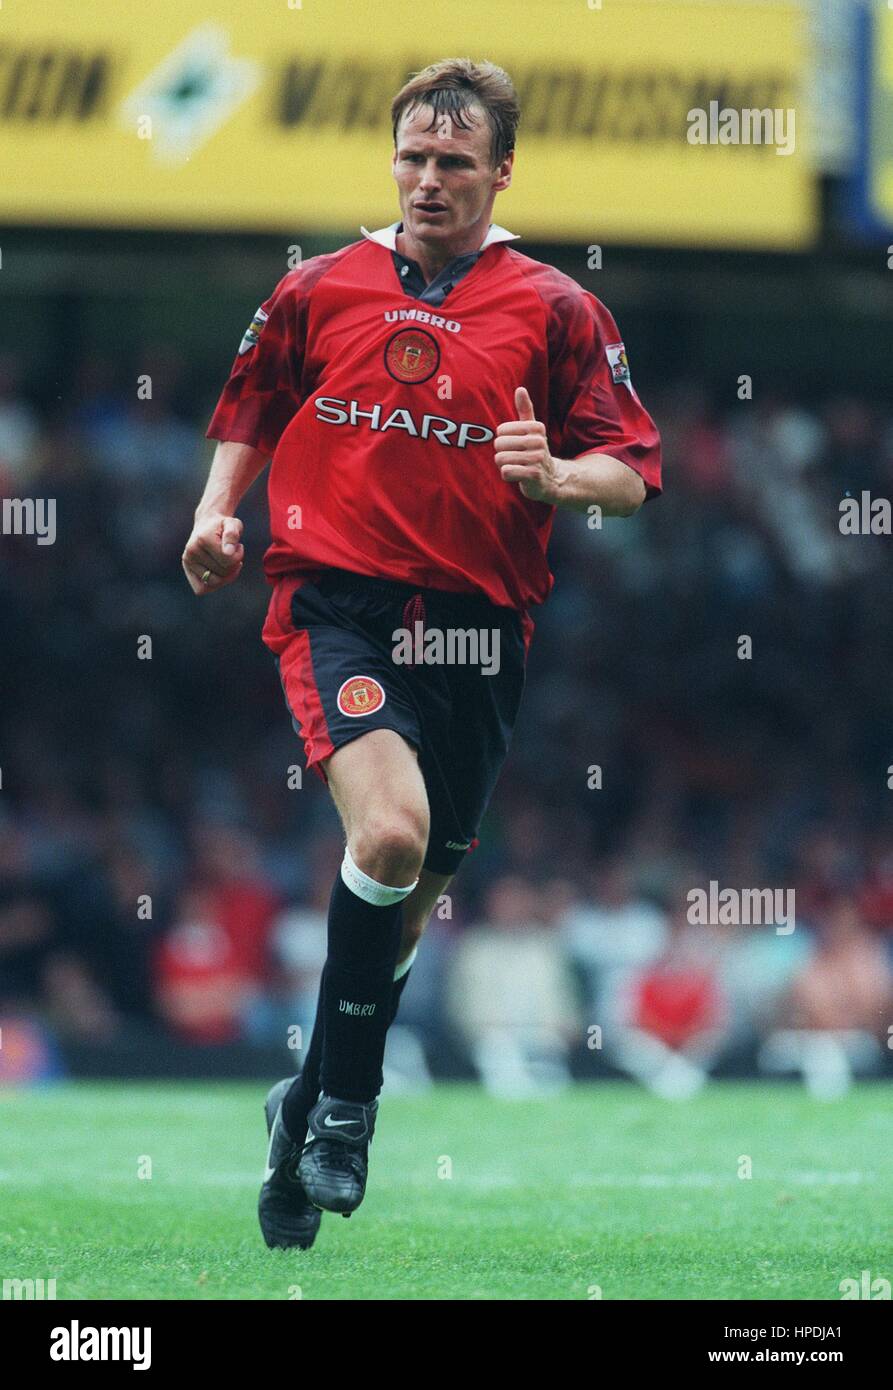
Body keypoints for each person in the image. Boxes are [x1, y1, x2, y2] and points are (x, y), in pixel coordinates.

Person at [182, 58, 661, 1249]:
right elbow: (250, 404)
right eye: (411, 157)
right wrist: (213, 512)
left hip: (478, 632)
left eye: (454, 161)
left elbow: (633, 471)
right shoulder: (316, 287)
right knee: (384, 836)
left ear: (502, 171)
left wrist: (556, 476)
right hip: (334, 603)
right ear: (390, 161)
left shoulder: (557, 308)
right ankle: (351, 1100)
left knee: (405, 906)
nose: (428, 179)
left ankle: (299, 1105)